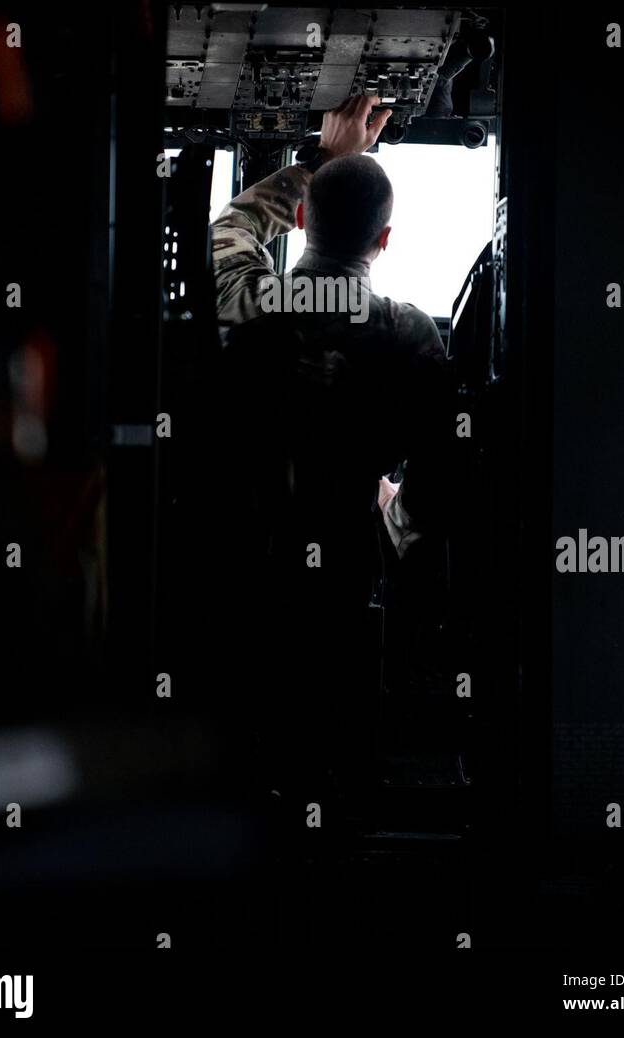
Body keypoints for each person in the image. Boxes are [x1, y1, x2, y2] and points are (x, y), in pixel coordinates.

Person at [210, 94, 456, 802]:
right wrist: (389, 520)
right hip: (347, 558)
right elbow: (437, 484)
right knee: (335, 731)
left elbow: (232, 225)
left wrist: (324, 160)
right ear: (384, 242)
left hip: (243, 551)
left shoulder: (247, 299)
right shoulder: (410, 335)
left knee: (251, 731)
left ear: (299, 221)